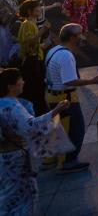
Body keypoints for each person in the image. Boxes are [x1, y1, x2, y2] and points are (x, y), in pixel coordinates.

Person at [0, 67, 71, 216]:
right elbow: (31, 126)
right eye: (20, 80)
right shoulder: (12, 107)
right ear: (10, 86)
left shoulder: (3, 104)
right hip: (15, 157)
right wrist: (55, 111)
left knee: (8, 193)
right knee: (23, 195)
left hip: (5, 157)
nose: (23, 82)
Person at [44, 23, 98, 172]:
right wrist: (92, 81)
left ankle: (51, 159)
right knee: (74, 130)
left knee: (57, 129)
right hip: (64, 98)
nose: (81, 40)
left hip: (52, 95)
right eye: (79, 36)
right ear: (72, 38)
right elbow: (69, 81)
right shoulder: (66, 56)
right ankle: (68, 162)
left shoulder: (54, 50)